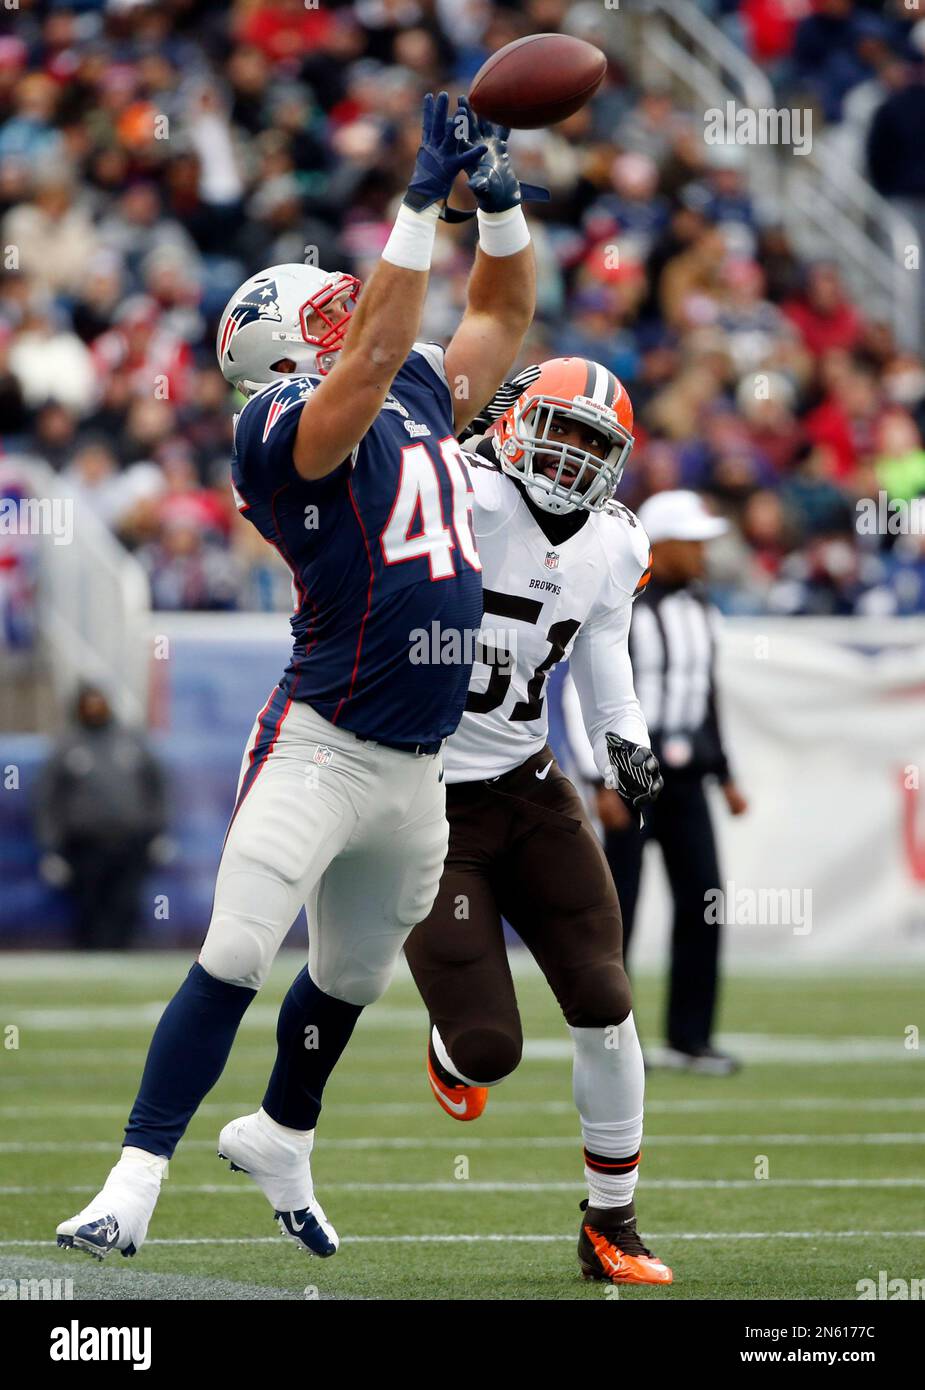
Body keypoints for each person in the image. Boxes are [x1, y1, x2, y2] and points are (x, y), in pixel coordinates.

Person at [56, 93, 538, 1262]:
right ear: (280, 349)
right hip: (322, 741)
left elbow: (500, 315)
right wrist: (421, 201)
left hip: (418, 763)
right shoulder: (278, 428)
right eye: (317, 310)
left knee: (348, 979)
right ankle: (132, 1181)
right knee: (234, 951)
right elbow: (369, 353)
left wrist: (504, 204)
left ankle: (282, 1132)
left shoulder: (411, 385)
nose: (346, 312)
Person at [402, 357, 673, 1286]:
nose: (571, 456)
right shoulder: (457, 494)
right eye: (559, 430)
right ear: (514, 422)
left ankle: (612, 1222)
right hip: (425, 800)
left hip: (528, 781)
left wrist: (625, 745)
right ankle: (447, 1047)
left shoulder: (614, 544)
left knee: (605, 1000)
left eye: (594, 444)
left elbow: (604, 663)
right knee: (489, 1050)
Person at [566, 490, 748, 1076]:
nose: (701, 553)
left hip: (689, 776)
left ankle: (691, 1038)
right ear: (660, 544)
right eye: (690, 541)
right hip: (633, 775)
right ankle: (610, 1037)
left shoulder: (703, 609)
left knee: (704, 902)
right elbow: (584, 692)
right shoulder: (625, 606)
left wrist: (725, 773)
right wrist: (601, 780)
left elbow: (705, 696)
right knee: (619, 909)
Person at [34, 683, 168, 950]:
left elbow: (157, 786)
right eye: (89, 703)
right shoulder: (66, 745)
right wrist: (51, 848)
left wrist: (159, 832)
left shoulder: (130, 740)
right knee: (89, 906)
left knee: (126, 903)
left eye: (99, 702)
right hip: (85, 845)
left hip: (130, 842)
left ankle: (126, 957)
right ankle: (90, 960)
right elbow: (47, 799)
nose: (95, 708)